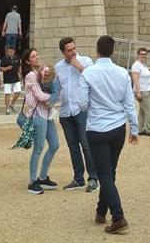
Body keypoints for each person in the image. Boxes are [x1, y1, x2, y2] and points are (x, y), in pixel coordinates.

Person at [75, 35, 139, 235]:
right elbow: (129, 104)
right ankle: (101, 211)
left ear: (97, 50)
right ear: (112, 51)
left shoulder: (88, 73)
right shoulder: (122, 73)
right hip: (118, 128)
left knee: (104, 173)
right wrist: (134, 129)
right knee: (109, 172)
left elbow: (82, 103)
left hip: (96, 128)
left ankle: (118, 217)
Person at [55, 36, 99, 192]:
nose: (73, 52)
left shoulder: (86, 61)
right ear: (63, 52)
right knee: (73, 146)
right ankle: (78, 178)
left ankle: (93, 178)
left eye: (74, 48)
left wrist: (80, 67)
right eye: (69, 50)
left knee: (86, 145)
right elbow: (57, 88)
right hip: (66, 112)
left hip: (81, 110)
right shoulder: (58, 67)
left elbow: (95, 80)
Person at [21, 48, 59, 195]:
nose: (37, 58)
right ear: (27, 61)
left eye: (37, 55)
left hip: (46, 113)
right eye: (33, 56)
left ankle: (42, 177)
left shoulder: (38, 73)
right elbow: (39, 95)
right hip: (38, 114)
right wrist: (54, 97)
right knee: (38, 148)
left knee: (54, 145)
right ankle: (32, 181)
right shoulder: (30, 75)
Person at [129, 47, 150, 136]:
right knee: (149, 111)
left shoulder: (144, 65)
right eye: (141, 54)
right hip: (142, 91)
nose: (143, 56)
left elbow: (148, 79)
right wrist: (138, 92)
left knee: (142, 111)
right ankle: (148, 129)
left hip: (147, 90)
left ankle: (140, 129)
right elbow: (135, 79)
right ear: (138, 55)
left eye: (145, 54)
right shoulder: (136, 65)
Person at [0, 45, 22, 114]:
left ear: (14, 51)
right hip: (7, 79)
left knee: (18, 91)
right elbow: (1, 69)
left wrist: (21, 74)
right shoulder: (4, 58)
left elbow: (19, 66)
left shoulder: (17, 58)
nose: (9, 52)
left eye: (11, 51)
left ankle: (12, 104)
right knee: (7, 93)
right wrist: (7, 68)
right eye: (8, 51)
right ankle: (7, 109)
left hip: (16, 78)